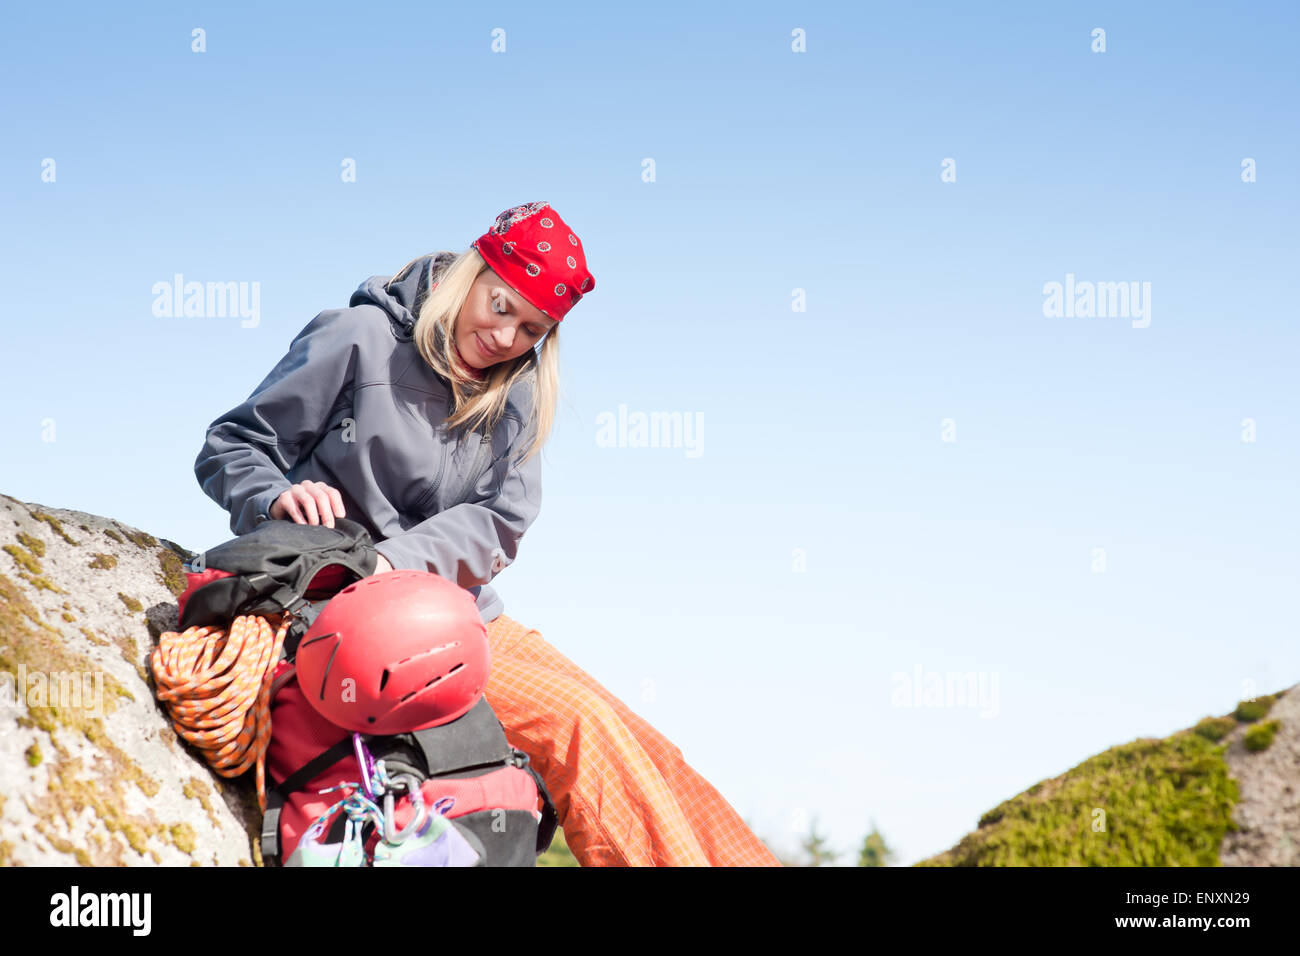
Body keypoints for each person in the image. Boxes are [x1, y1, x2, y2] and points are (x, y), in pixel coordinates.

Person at [194, 201, 781, 866]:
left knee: (642, 740)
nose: (507, 338)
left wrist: (401, 562)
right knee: (579, 728)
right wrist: (276, 493)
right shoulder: (356, 336)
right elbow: (232, 445)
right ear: (470, 276)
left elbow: (502, 521)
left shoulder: (520, 390)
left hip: (456, 608)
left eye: (532, 328)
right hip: (349, 608)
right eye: (501, 306)